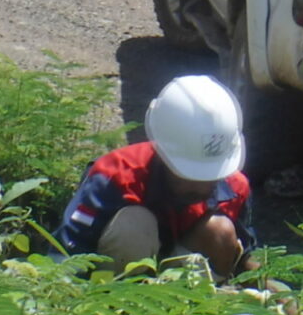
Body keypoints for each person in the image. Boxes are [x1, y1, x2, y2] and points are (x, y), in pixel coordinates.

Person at [59, 74, 252, 280]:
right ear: (162, 154)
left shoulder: (236, 187)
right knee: (134, 225)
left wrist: (272, 289)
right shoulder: (114, 175)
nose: (201, 187)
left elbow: (244, 256)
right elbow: (68, 252)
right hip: (115, 274)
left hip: (180, 275)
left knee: (220, 231)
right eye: (188, 176)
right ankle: (122, 301)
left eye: (210, 178)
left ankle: (195, 304)